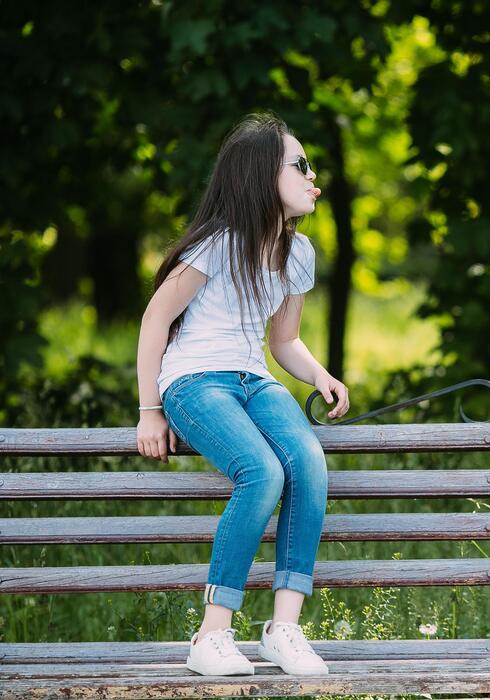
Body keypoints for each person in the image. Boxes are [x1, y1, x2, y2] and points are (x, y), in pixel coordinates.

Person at [135, 113, 350, 677]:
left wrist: (320, 375)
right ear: (260, 174)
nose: (312, 176)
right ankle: (212, 634)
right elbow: (156, 319)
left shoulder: (296, 254)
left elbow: (284, 339)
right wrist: (149, 411)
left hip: (254, 379)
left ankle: (284, 629)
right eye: (299, 165)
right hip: (193, 382)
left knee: (308, 462)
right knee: (262, 470)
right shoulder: (217, 245)